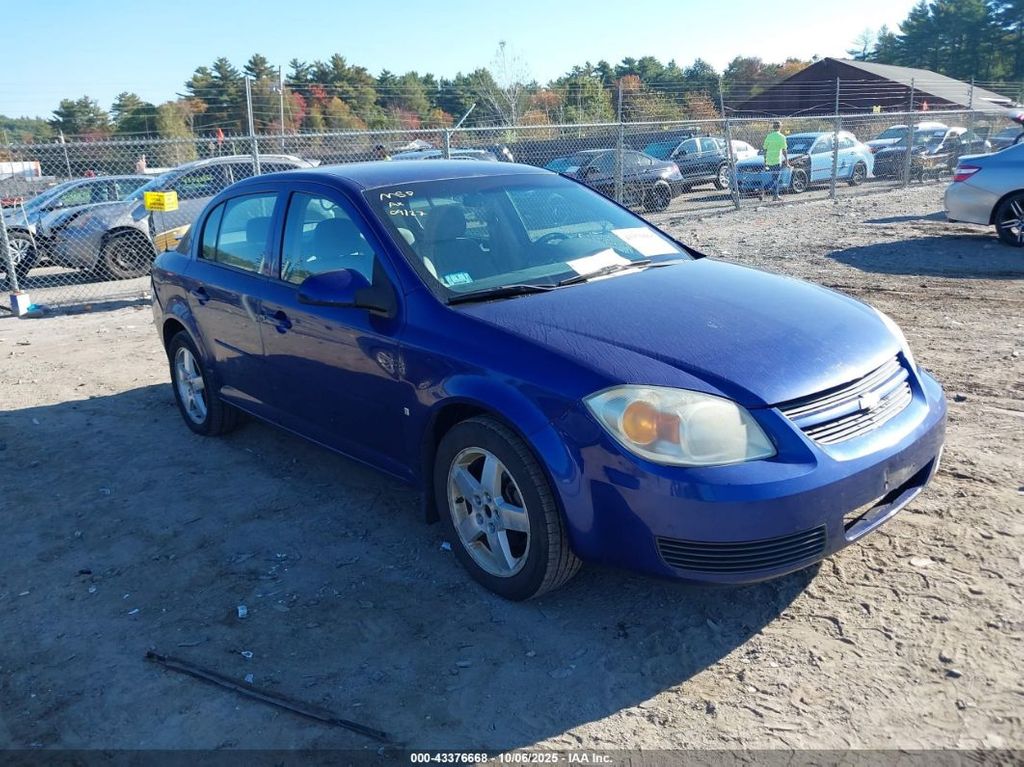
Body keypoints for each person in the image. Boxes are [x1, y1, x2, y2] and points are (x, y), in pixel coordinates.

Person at [762, 121, 788, 201]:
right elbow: (784, 150)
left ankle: (775, 195)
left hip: (769, 160)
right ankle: (763, 190)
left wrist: (765, 160)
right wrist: (786, 160)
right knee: (776, 179)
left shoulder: (769, 136)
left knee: (774, 178)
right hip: (777, 160)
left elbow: (765, 149)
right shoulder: (782, 137)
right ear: (780, 127)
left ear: (773, 127)